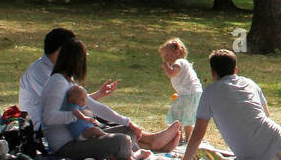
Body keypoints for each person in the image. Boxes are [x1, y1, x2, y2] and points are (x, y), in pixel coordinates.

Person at [18, 27, 172, 152]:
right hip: (62, 136)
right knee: (115, 134)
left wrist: (127, 122)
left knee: (122, 130)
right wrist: (80, 116)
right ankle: (144, 144)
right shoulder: (47, 75)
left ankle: (144, 144)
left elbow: (81, 102)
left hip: (74, 131)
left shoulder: (63, 76)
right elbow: (57, 111)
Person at [39, 39, 183, 160]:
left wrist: (128, 122)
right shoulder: (57, 82)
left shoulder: (69, 82)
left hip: (83, 136)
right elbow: (49, 118)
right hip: (66, 146)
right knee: (122, 141)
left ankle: (132, 151)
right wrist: (77, 116)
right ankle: (133, 154)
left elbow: (96, 107)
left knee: (129, 131)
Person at [160, 37, 202, 144]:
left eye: (167, 55)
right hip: (185, 94)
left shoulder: (179, 62)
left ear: (177, 51)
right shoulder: (180, 62)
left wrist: (166, 67)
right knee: (177, 115)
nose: (165, 59)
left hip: (190, 93)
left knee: (187, 117)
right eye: (164, 57)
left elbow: (172, 73)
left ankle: (189, 139)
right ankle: (179, 137)